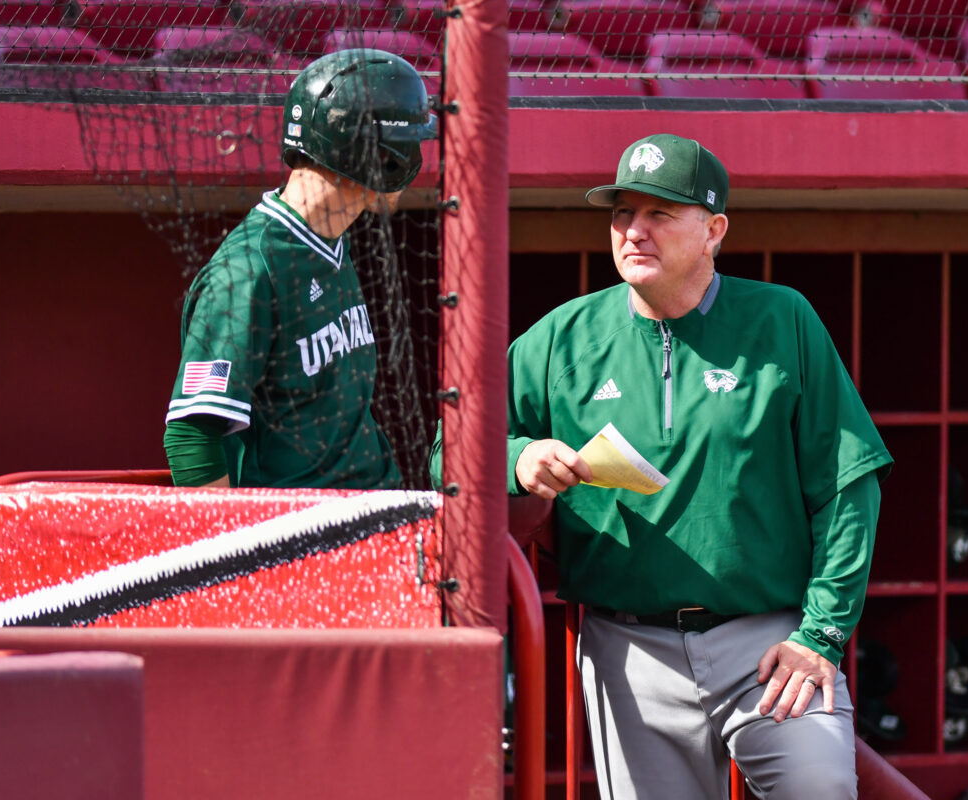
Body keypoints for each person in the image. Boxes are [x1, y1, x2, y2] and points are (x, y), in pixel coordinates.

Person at [502, 134, 893, 798]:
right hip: (625, 645)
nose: (635, 230)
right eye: (623, 213)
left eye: (659, 212)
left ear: (714, 230)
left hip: (767, 640)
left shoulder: (783, 319)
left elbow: (848, 480)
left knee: (822, 786)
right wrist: (521, 456)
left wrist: (820, 635)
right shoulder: (560, 337)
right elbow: (451, 452)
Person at [163, 49, 436, 488]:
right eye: (409, 140)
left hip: (375, 519)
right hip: (306, 538)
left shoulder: (330, 240)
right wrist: (235, 553)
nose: (416, 155)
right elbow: (192, 434)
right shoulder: (249, 268)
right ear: (370, 151)